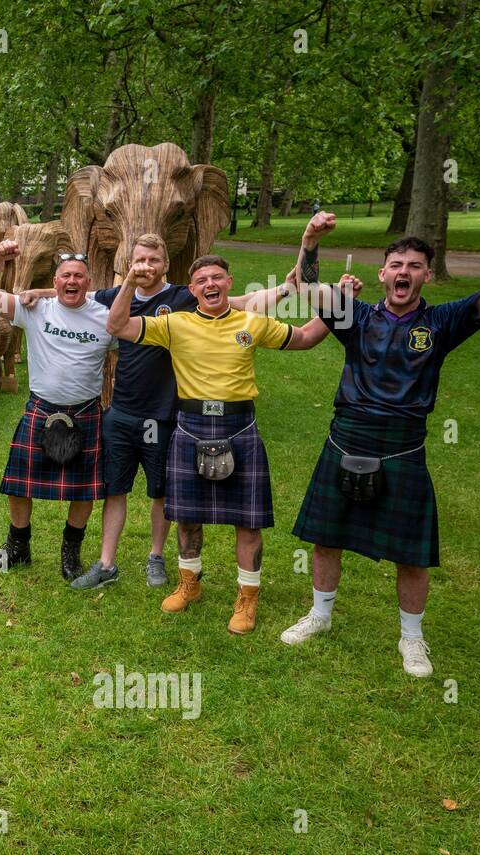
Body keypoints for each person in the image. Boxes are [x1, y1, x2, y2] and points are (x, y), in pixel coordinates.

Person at [19, 234, 298, 590]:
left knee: (160, 492)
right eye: (139, 261)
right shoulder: (114, 296)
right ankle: (107, 563)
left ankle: (155, 557)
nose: (146, 267)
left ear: (165, 264)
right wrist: (38, 293)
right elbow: (76, 295)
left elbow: (244, 301)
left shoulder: (183, 296)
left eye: (153, 260)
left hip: (164, 413)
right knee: (114, 489)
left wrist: (286, 290)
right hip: (120, 410)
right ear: (129, 265)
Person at [283, 221, 480, 676]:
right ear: (382, 274)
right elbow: (305, 285)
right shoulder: (356, 316)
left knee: (410, 552)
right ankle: (319, 616)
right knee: (327, 536)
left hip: (403, 446)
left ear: (426, 275)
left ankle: (412, 638)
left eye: (415, 266)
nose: (404, 272)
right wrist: (309, 242)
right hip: (347, 435)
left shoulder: (442, 321)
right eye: (396, 265)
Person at [105, 250, 330, 634]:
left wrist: (341, 307)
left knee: (247, 521)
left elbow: (306, 338)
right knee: (187, 516)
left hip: (239, 426)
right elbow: (118, 325)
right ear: (192, 289)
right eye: (202, 280)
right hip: (190, 425)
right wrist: (130, 280)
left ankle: (247, 597)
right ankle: (189, 583)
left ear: (229, 282)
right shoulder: (173, 324)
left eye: (217, 278)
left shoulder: (252, 323)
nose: (210, 284)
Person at [0, 242, 114, 581]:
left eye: (79, 276)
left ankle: (71, 551)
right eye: (66, 275)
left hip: (85, 413)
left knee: (86, 489)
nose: (72, 281)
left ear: (88, 282)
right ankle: (18, 546)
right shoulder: (36, 309)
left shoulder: (106, 317)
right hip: (41, 409)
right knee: (17, 484)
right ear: (55, 282)